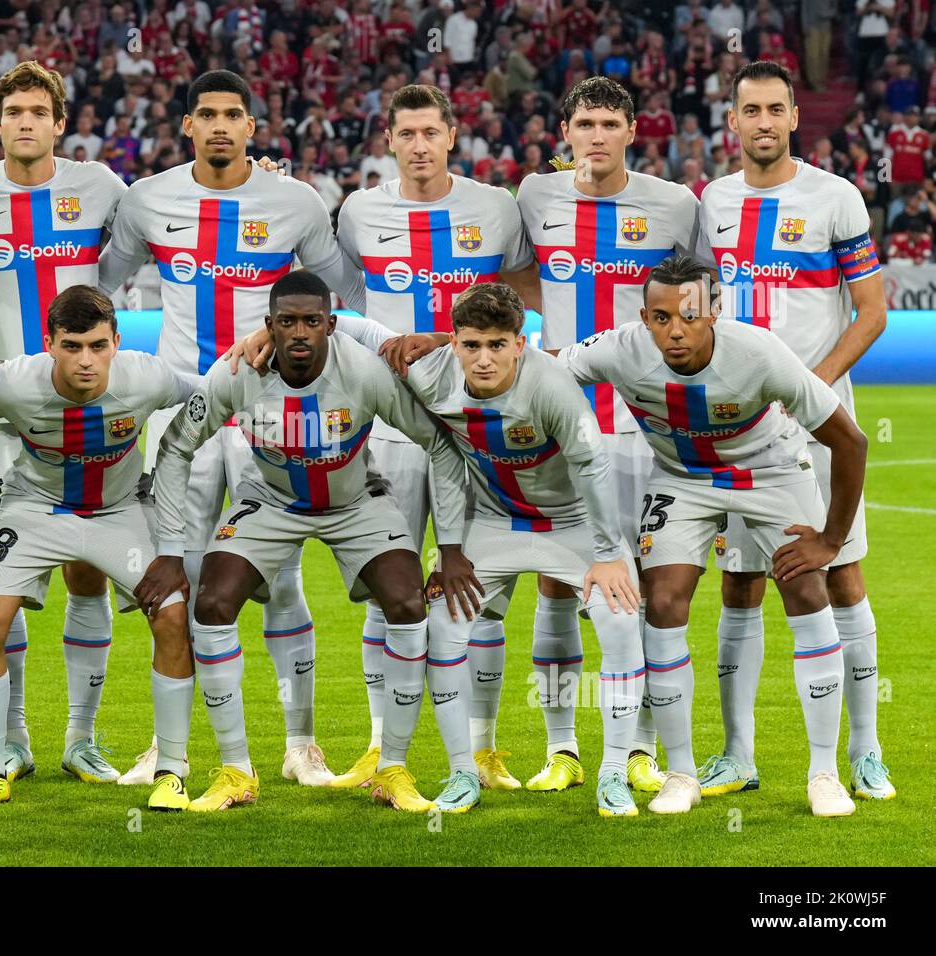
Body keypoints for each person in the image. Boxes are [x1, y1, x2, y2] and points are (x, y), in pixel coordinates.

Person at [97, 69, 366, 789]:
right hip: (181, 414)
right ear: (187, 125)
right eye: (207, 115)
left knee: (277, 580)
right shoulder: (147, 199)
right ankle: (168, 746)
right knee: (175, 581)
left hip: (268, 413)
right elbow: (97, 281)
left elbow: (347, 289)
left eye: (233, 115)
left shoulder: (295, 202)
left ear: (254, 127)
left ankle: (301, 744)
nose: (219, 126)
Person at [136, 269, 472, 813]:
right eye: (286, 321)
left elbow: (437, 443)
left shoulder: (363, 372)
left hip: (356, 503)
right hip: (269, 502)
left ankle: (392, 767)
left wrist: (451, 550)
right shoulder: (236, 372)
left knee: (409, 604)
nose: (298, 332)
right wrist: (171, 553)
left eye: (311, 321)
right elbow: (175, 446)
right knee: (213, 603)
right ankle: (235, 771)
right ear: (267, 325)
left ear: (330, 325)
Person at [558, 254, 868, 818]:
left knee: (805, 587)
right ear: (644, 316)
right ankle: (681, 773)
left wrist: (831, 539)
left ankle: (824, 773)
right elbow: (542, 366)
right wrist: (443, 345)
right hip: (681, 479)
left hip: (770, 471)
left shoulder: (760, 353)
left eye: (690, 316)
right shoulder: (618, 348)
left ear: (715, 312)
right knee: (664, 601)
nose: (674, 330)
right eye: (660, 317)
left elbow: (850, 442)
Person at [331, 282, 648, 816]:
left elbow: (593, 467)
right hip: (494, 522)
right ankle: (463, 772)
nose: (484, 359)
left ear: (521, 344)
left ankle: (613, 774)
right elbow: (351, 327)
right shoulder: (429, 374)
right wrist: (449, 549)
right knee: (445, 624)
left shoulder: (550, 387)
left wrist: (608, 553)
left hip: (571, 524)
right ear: (453, 342)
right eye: (472, 344)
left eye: (498, 345)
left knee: (619, 622)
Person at [0, 60, 131, 784]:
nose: (27, 122)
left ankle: (82, 738)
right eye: (15, 112)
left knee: (85, 576)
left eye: (40, 111)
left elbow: (167, 219)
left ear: (59, 121)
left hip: (86, 415)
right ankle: (10, 740)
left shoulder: (99, 186)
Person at [698, 59, 894, 801]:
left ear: (792, 117)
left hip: (816, 425)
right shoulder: (711, 202)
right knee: (741, 583)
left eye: (776, 109)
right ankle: (737, 754)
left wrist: (806, 390)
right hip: (736, 431)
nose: (764, 122)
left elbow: (871, 310)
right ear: (735, 121)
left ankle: (865, 752)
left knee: (840, 573)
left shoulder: (835, 197)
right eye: (751, 110)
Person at [332, 82, 536, 792]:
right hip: (387, 429)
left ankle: (481, 748)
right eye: (406, 133)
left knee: (474, 589)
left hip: (474, 427)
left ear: (454, 136)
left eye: (431, 132)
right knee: (386, 578)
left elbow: (518, 294)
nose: (419, 145)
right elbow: (346, 302)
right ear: (388, 139)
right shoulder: (358, 213)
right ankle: (380, 747)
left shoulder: (495, 209)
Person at [515, 75, 704, 794]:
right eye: (584, 124)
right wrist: (564, 311)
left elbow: (702, 298)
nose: (596, 136)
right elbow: (513, 273)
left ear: (632, 131)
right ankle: (562, 747)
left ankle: (639, 751)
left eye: (608, 124)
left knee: (651, 589)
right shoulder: (536, 197)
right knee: (557, 585)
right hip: (558, 422)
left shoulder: (673, 205)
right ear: (565, 133)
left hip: (645, 428)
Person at [0, 286, 201, 811]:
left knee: (172, 616)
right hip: (33, 510)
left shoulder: (146, 376)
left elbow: (209, 393)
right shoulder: (15, 382)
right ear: (49, 343)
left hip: (120, 511)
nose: (87, 361)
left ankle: (167, 769)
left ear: (116, 342)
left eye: (99, 346)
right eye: (73, 346)